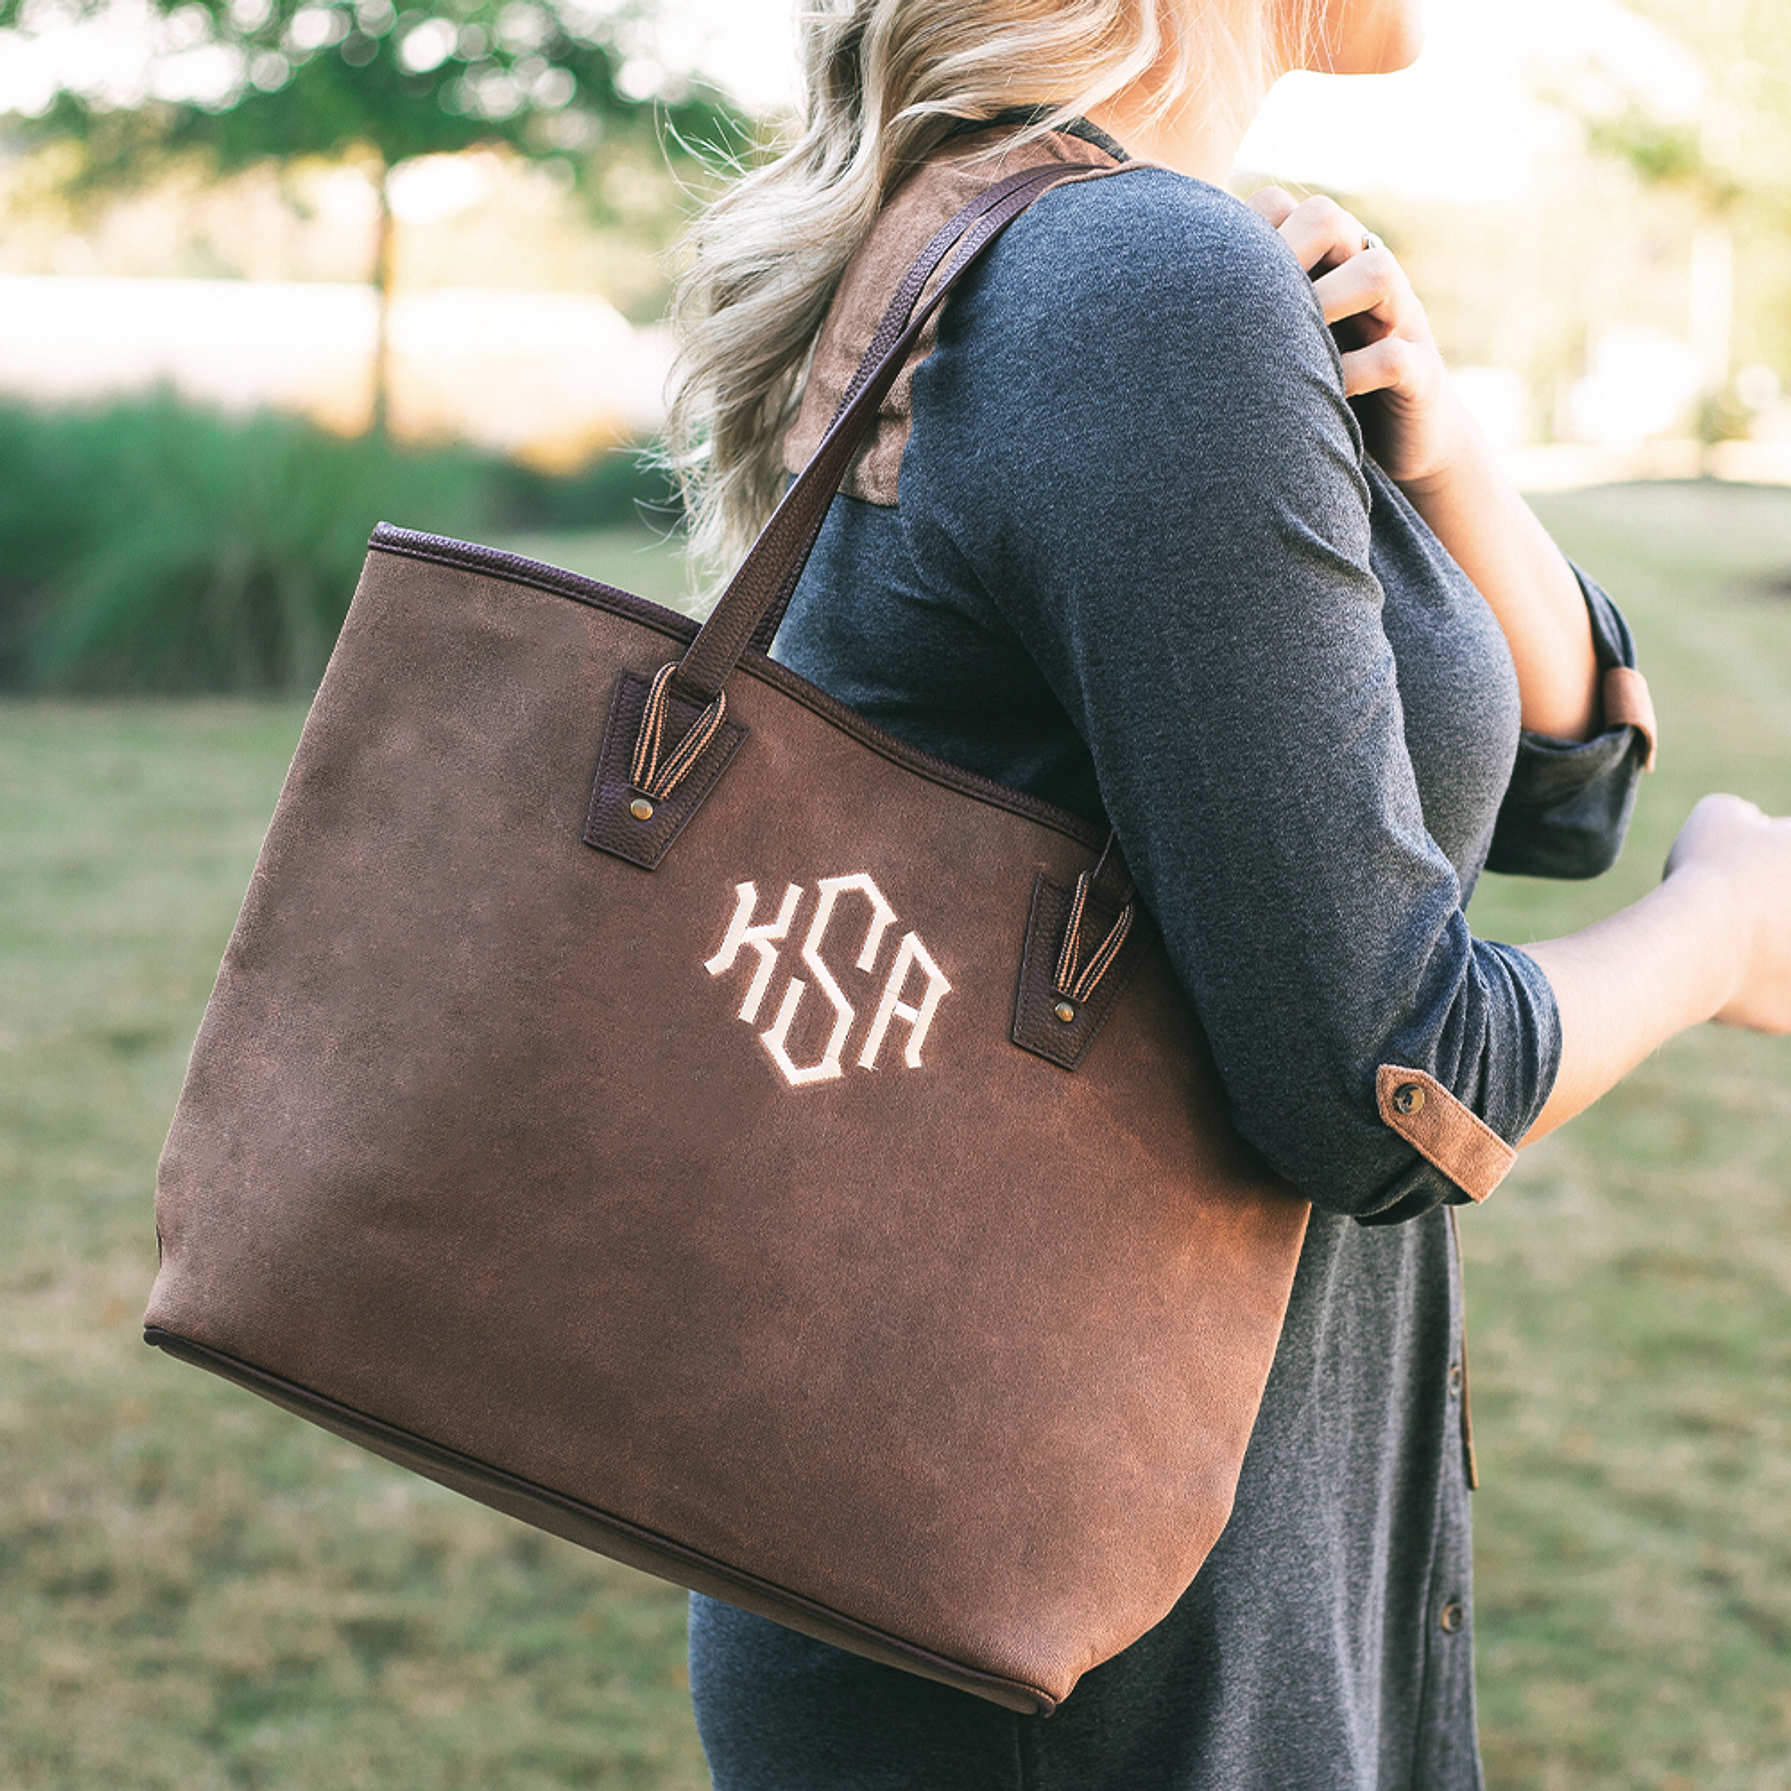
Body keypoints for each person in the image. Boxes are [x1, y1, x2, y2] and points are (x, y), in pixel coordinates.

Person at [659, 2, 1791, 1785]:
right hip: (1105, 1634)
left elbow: (1557, 799)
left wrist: (1449, 454)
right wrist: (1723, 926)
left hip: (1114, 1532)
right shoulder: (1134, 284)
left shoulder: (1089, 241)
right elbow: (1390, 1091)